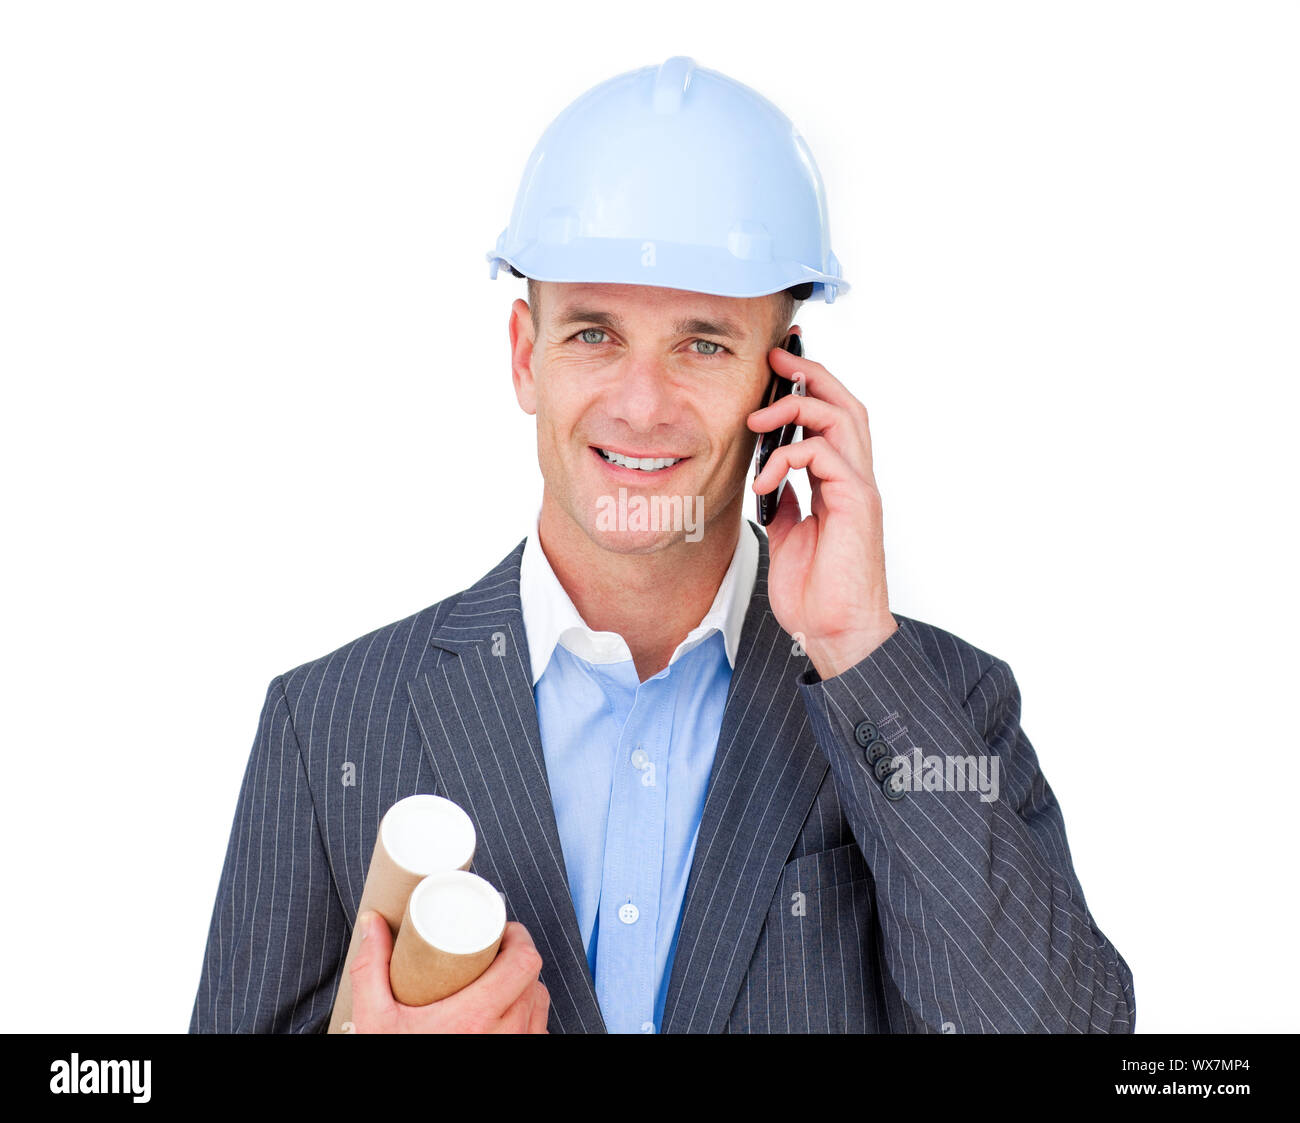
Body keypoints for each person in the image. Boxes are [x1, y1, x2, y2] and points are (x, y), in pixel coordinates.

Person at [189, 56, 1134, 1034]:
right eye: (594, 335)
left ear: (782, 391)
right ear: (526, 355)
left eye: (704, 344)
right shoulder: (330, 724)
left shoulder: (938, 703)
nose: (640, 407)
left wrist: (853, 650)